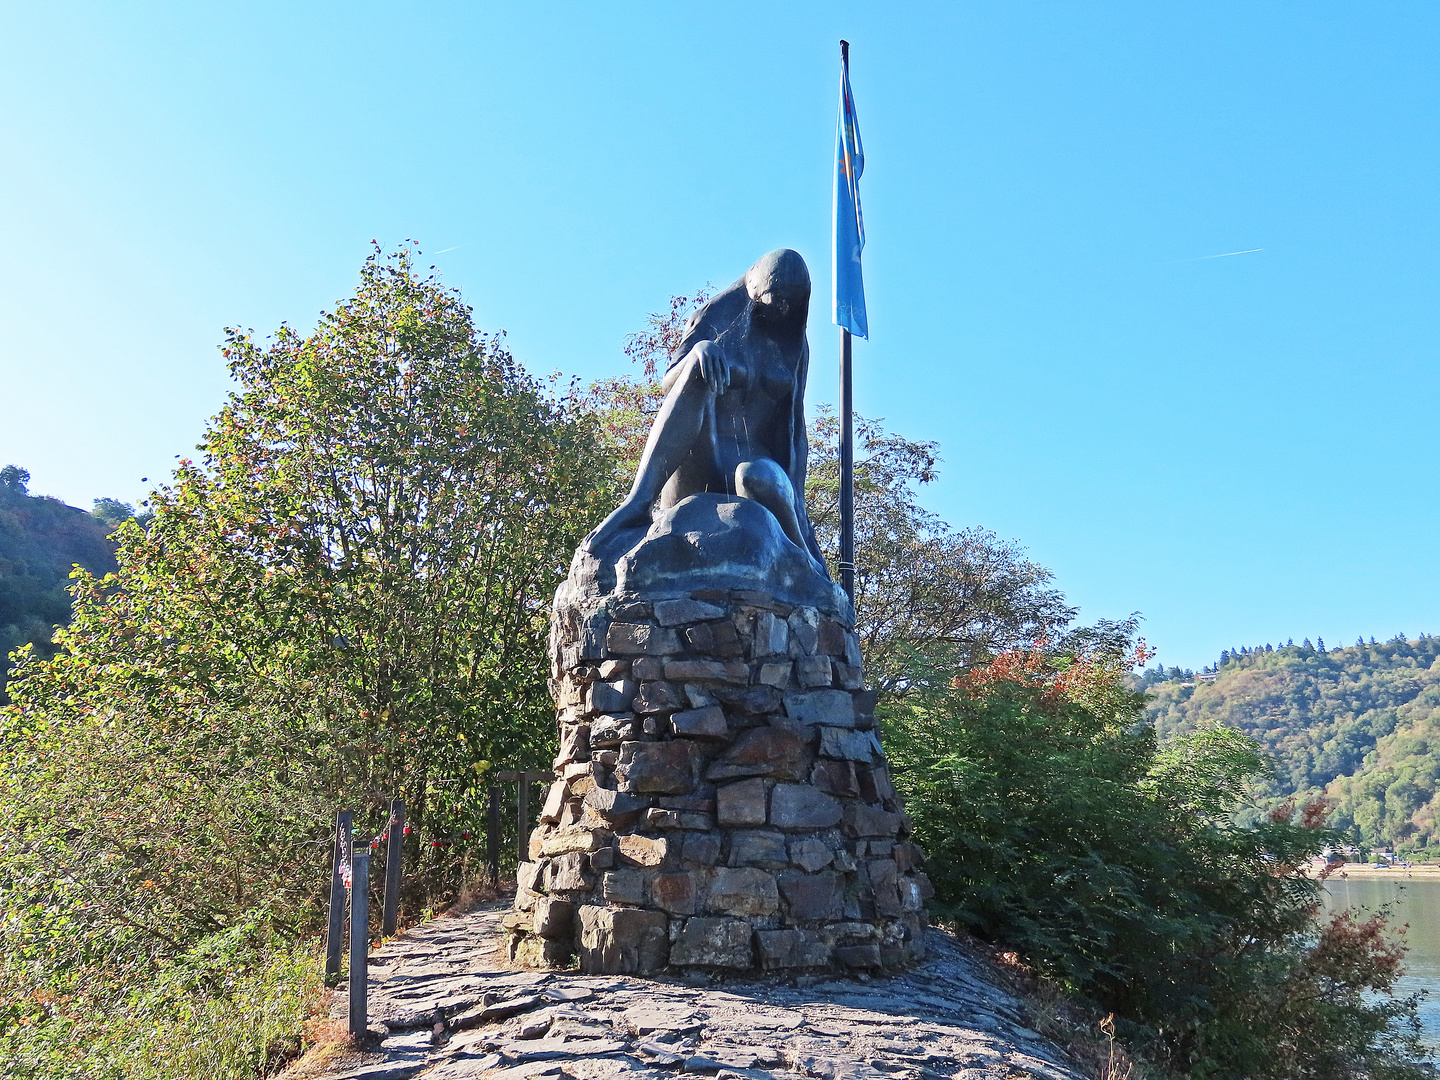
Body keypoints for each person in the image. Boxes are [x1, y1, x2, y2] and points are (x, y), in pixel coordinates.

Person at [587, 249, 827, 574]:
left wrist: (800, 511)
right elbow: (670, 383)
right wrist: (698, 351)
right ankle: (638, 501)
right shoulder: (713, 318)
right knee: (700, 366)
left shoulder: (794, 346)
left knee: (762, 477)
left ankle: (803, 556)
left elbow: (795, 431)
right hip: (700, 460)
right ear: (754, 288)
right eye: (774, 299)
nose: (781, 309)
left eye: (790, 303)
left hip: (752, 464)